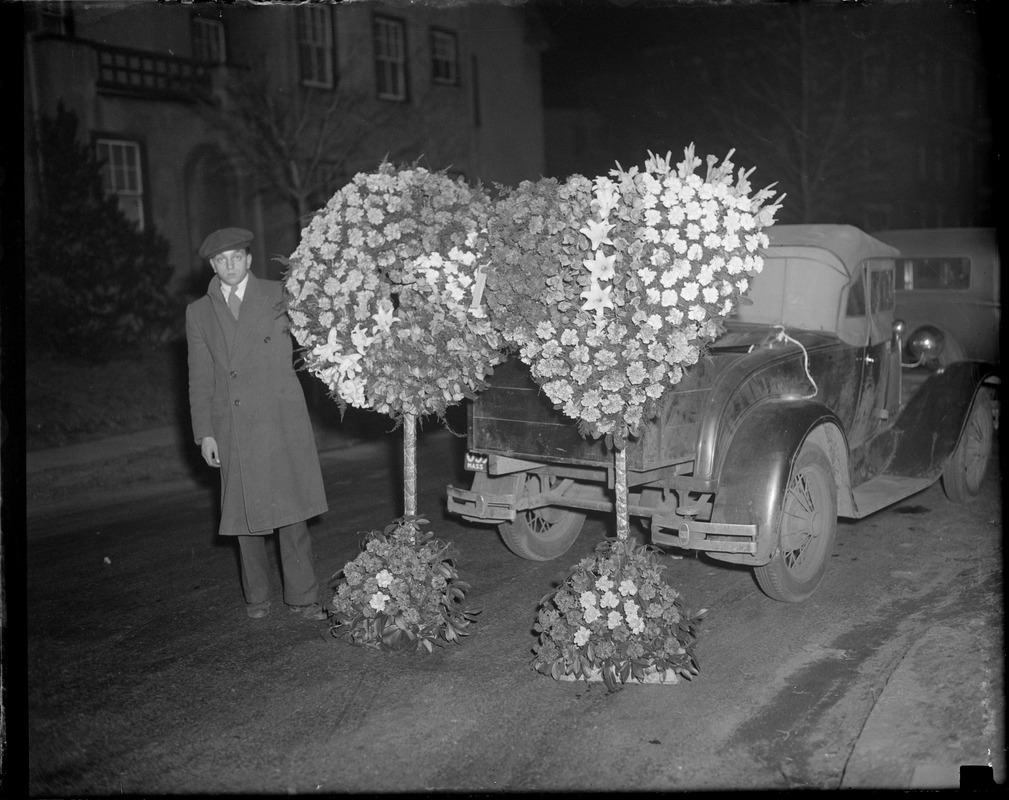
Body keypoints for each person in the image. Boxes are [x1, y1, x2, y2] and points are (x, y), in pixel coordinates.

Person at [186, 227, 329, 621]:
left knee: (292, 510)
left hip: (280, 415)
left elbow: (317, 339)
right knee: (244, 514)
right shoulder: (199, 312)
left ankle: (303, 597)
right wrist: (205, 433)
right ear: (212, 266)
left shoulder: (279, 294)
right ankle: (258, 595)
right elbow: (200, 377)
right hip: (232, 422)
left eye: (236, 257)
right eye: (221, 260)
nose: (229, 265)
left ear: (248, 259)